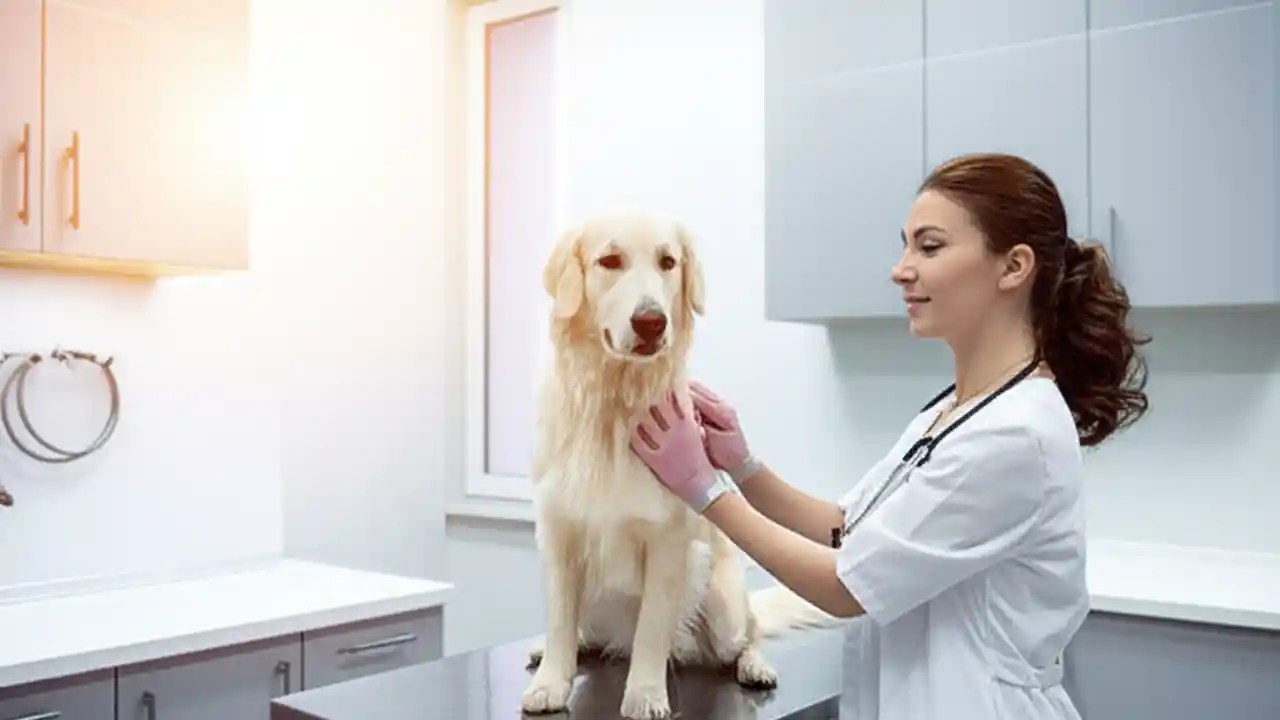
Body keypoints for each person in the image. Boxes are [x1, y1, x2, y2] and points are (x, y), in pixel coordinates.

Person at [628, 153, 1151, 719]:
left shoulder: (1015, 433)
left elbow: (844, 587)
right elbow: (849, 530)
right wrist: (743, 465)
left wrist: (705, 491)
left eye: (929, 247)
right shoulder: (956, 410)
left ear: (1013, 266)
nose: (901, 269)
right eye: (905, 245)